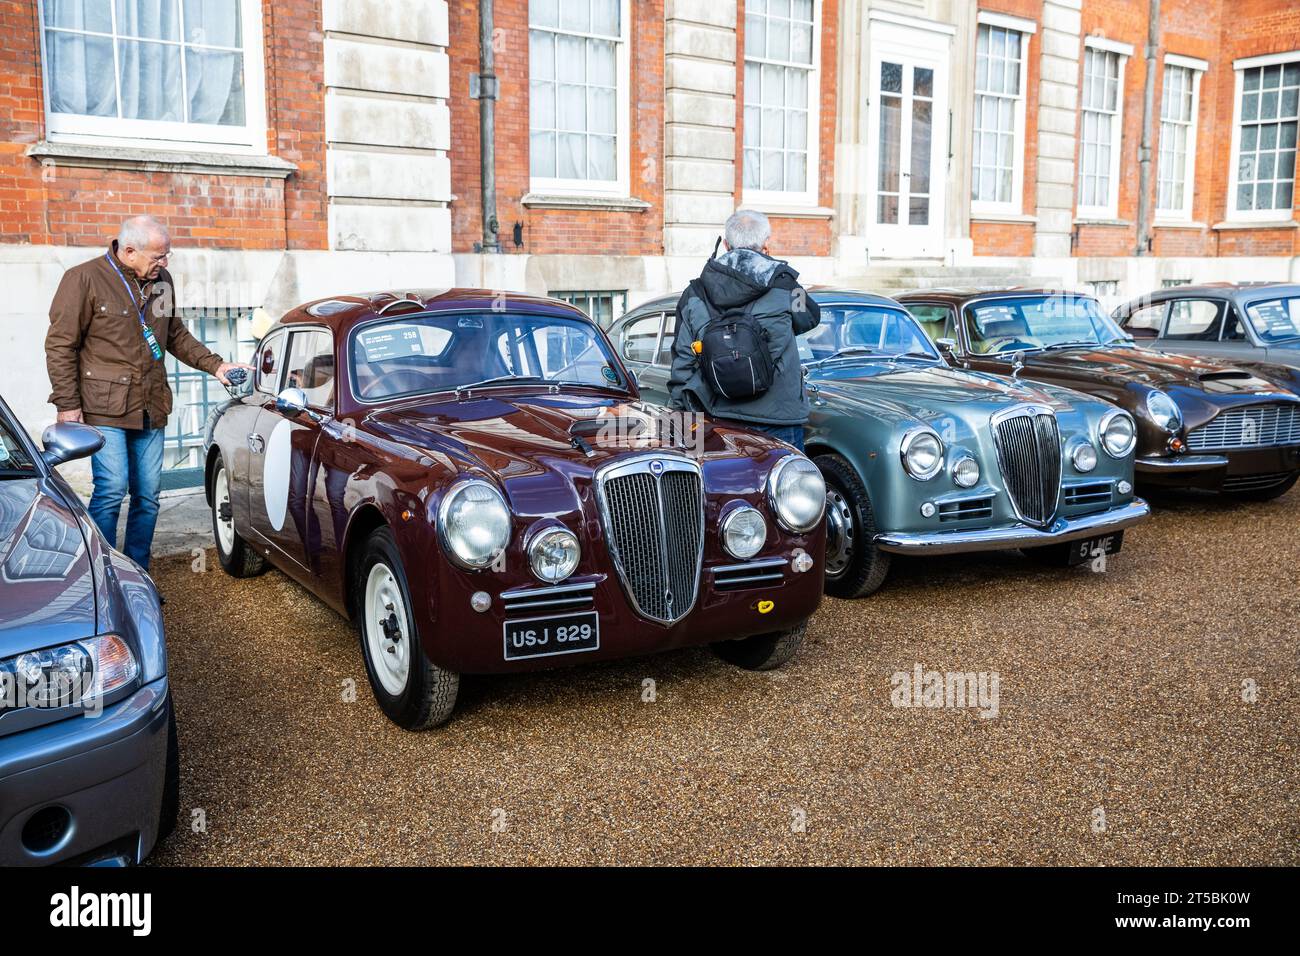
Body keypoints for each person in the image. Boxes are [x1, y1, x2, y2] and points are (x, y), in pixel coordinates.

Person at [45, 215, 251, 572]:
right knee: (110, 491)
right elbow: (61, 346)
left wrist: (216, 365)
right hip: (104, 408)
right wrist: (67, 405)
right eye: (158, 256)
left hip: (151, 405)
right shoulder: (83, 279)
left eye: (166, 255)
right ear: (129, 251)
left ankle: (137, 572)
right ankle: (102, 576)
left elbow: (175, 335)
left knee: (148, 497)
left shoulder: (161, 281)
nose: (164, 263)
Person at [667, 208, 820, 450]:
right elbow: (810, 316)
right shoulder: (788, 285)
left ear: (726, 244)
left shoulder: (693, 293)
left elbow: (682, 360)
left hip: (718, 414)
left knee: (728, 487)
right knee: (787, 484)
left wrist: (678, 416)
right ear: (766, 243)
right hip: (780, 415)